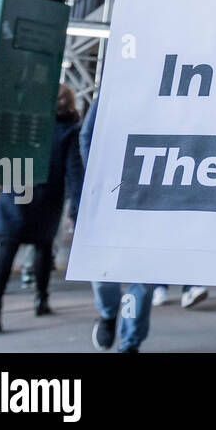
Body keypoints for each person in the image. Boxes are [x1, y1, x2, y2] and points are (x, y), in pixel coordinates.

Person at [0, 84, 83, 333]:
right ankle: (41, 299)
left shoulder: (26, 121)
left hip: (17, 190)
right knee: (43, 248)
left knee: (6, 248)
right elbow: (73, 170)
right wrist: (77, 210)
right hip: (48, 196)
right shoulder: (70, 129)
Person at [79, 96, 157, 352]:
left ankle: (130, 341)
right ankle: (109, 313)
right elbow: (87, 136)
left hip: (150, 197)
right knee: (103, 271)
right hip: (108, 195)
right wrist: (99, 179)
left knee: (141, 277)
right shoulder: (115, 88)